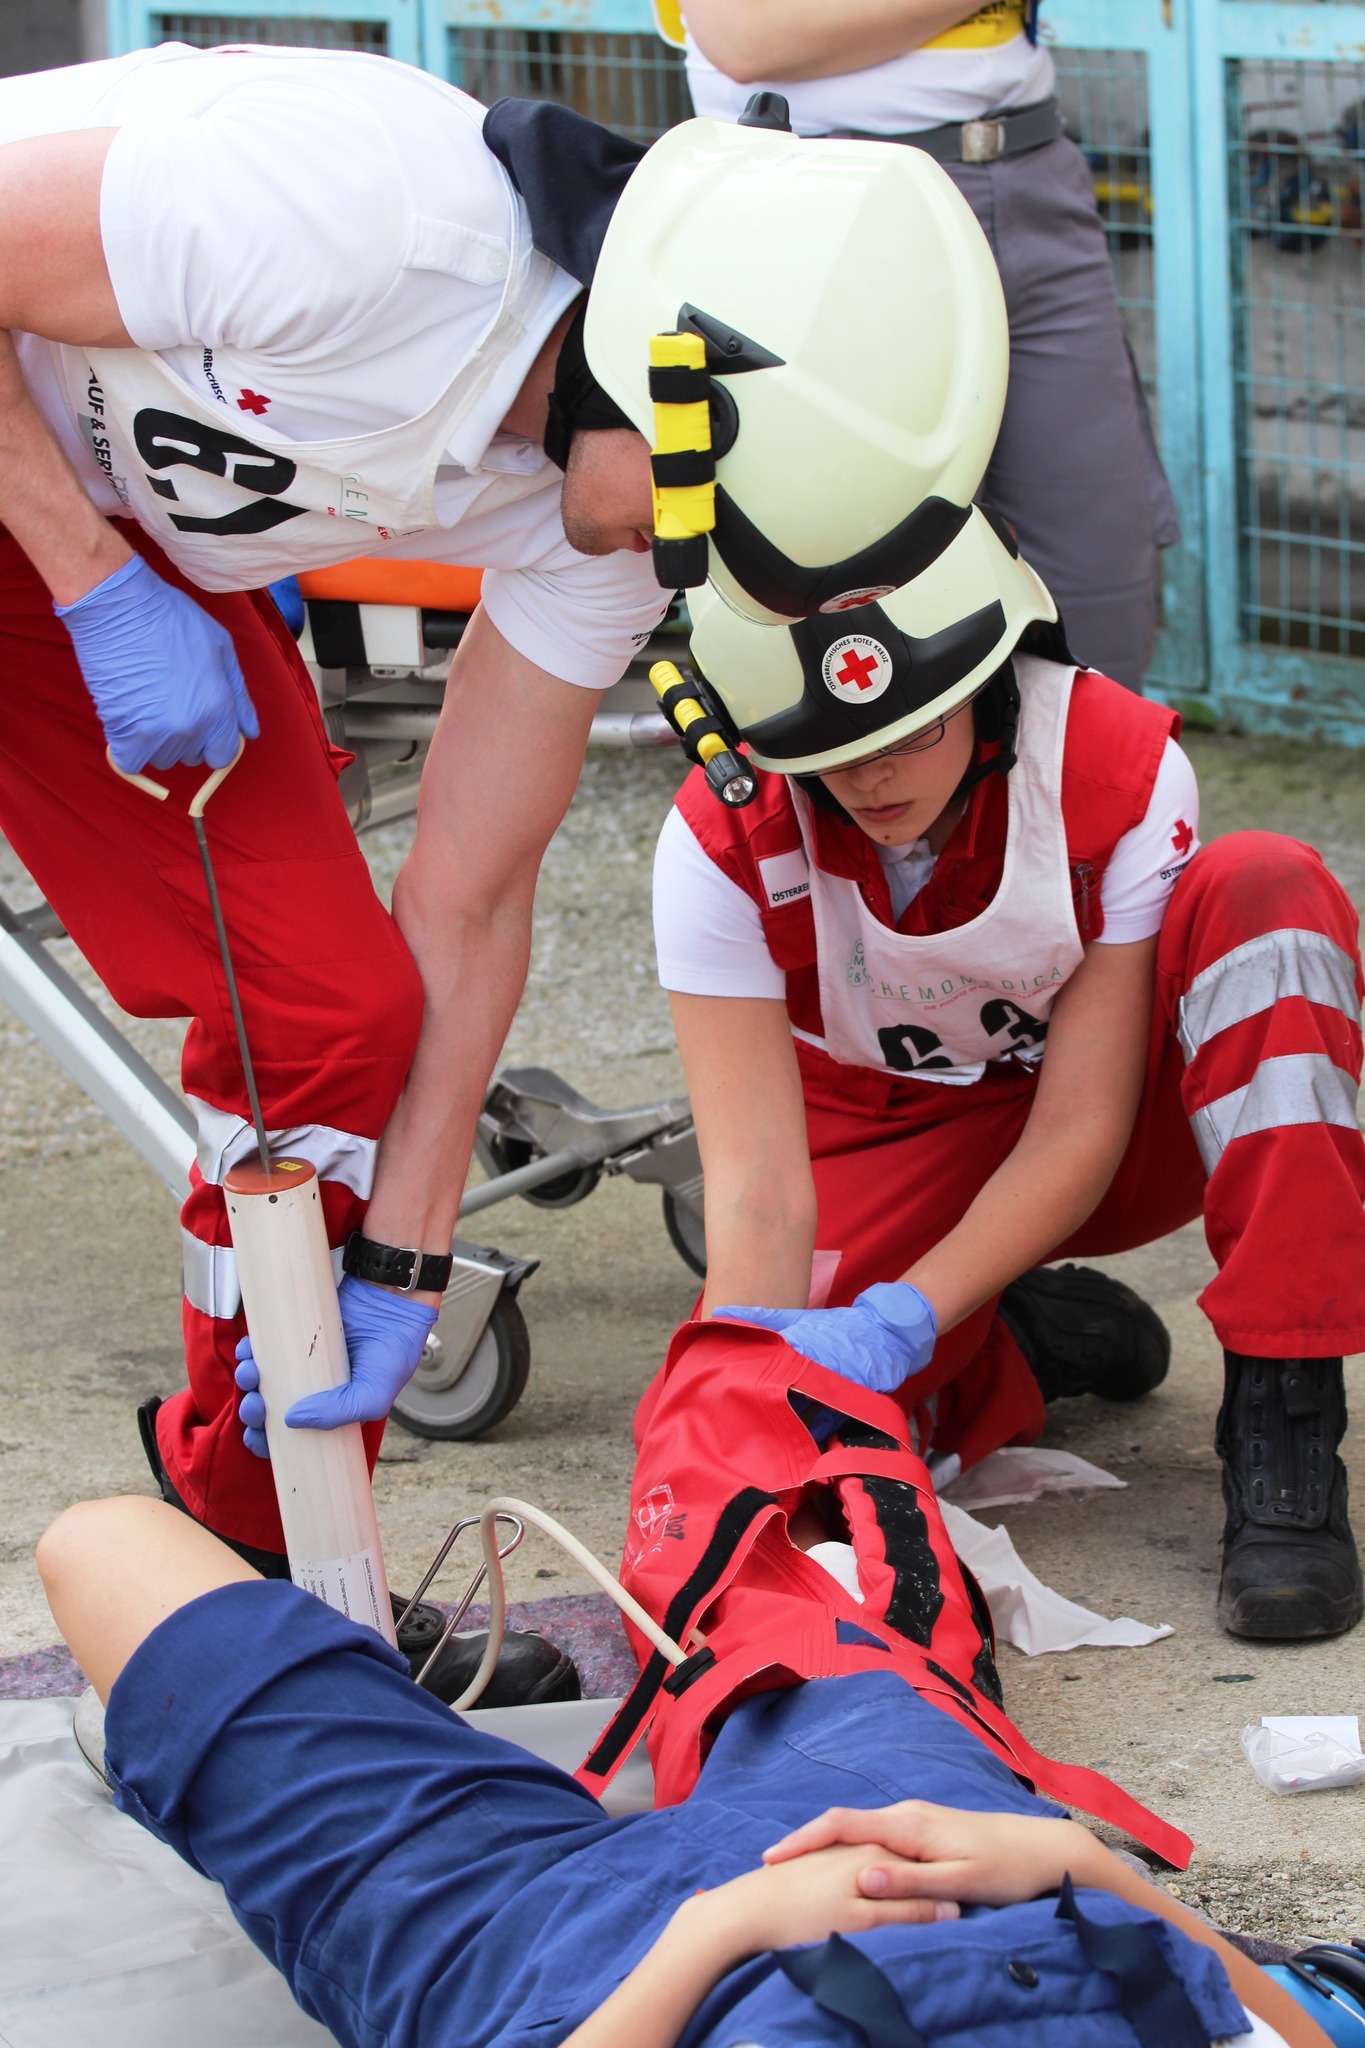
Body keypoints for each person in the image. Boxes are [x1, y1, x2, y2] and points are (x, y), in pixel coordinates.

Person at [0, 44, 1008, 1613]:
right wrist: (88, 575)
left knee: (332, 1010)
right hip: (58, 523)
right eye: (713, 527)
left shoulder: (604, 510)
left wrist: (402, 1264)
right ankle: (255, 1568)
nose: (698, 572)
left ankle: (254, 1560)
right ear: (663, 366)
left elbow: (468, 895)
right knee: (308, 1008)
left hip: (114, 540)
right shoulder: (358, 214)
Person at [647, 509, 1365, 1642]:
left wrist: (904, 1308)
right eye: (831, 747)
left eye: (912, 729)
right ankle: (1019, 1336)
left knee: (1267, 896)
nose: (874, 776)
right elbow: (754, 1194)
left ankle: (1286, 1405)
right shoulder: (720, 837)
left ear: (990, 681)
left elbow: (1081, 1127)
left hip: (1114, 1120)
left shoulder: (1115, 763)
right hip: (889, 1131)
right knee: (820, 1454)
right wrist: (729, 1406)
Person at [35, 1448, 1331, 2046]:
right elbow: (1297, 2034)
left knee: (104, 1548)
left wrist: (718, 1931)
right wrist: (1076, 1864)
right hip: (932, 1857)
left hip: (560, 1959)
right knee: (772, 1515)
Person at [653, 0, 1179, 693]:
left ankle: (1072, 794)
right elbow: (745, 35)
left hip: (1028, 167)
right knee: (868, 607)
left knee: (1097, 582)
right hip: (830, 194)